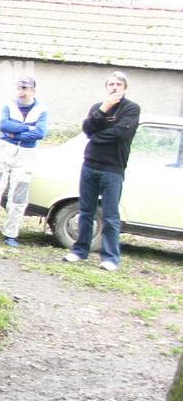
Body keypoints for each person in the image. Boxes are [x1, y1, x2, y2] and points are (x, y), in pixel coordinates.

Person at [65, 71, 140, 271]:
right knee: (86, 211)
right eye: (111, 84)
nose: (114, 87)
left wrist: (96, 136)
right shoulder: (98, 107)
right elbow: (87, 128)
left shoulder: (131, 109)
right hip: (90, 165)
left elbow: (121, 133)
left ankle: (110, 258)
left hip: (113, 168)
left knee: (110, 215)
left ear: (125, 88)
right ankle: (80, 251)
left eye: (118, 85)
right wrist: (103, 109)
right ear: (106, 87)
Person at [0, 76, 48, 246]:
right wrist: (28, 128)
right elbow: (3, 126)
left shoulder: (41, 109)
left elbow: (40, 133)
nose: (21, 92)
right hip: (4, 150)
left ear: (33, 91)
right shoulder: (9, 105)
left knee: (19, 195)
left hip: (26, 153)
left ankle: (11, 234)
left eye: (25, 89)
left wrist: (16, 133)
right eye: (19, 88)